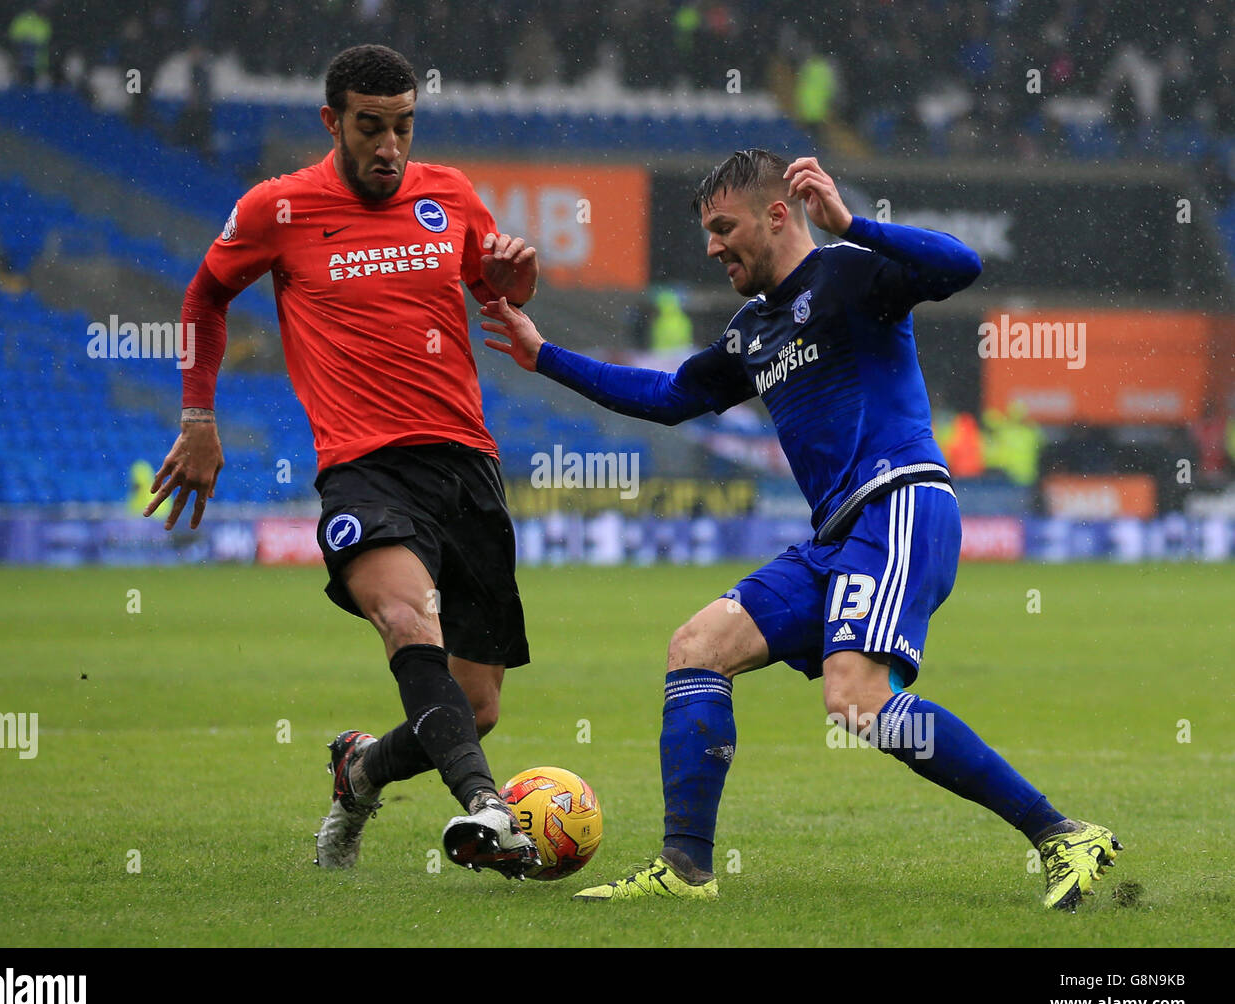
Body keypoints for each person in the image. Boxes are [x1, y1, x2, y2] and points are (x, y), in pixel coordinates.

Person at [480, 149, 1121, 909]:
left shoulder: (850, 273)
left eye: (724, 227)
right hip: (837, 536)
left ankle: (1061, 833)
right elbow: (669, 397)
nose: (712, 246)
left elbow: (961, 265)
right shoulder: (753, 329)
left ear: (778, 214)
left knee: (856, 699)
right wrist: (544, 356)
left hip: (898, 503)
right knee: (697, 647)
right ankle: (685, 870)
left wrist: (853, 224)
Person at [145, 44, 542, 879]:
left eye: (403, 127)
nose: (389, 146)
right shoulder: (278, 208)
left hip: (467, 464)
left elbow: (497, 297)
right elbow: (205, 296)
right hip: (364, 470)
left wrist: (518, 279)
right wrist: (198, 417)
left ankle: (359, 771)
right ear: (333, 122)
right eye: (370, 127)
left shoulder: (450, 195)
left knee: (474, 707)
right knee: (407, 619)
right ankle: (488, 807)